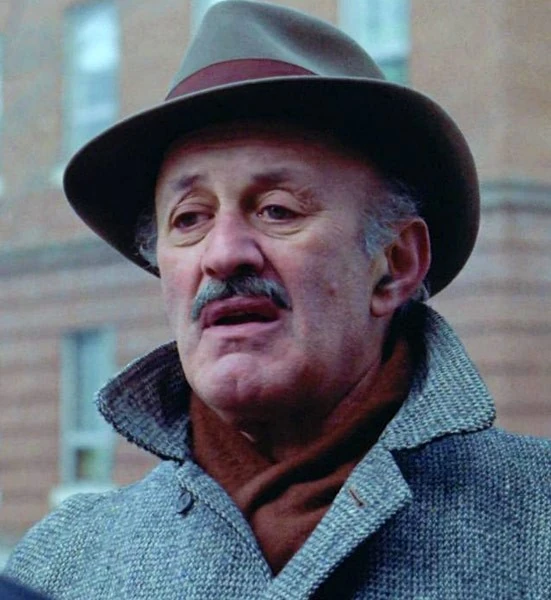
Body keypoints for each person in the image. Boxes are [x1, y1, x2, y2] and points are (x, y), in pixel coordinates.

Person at [4, 1, 550, 598]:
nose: (223, 254)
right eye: (189, 219)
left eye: (277, 210)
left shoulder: (537, 521)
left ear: (394, 265)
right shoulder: (62, 564)